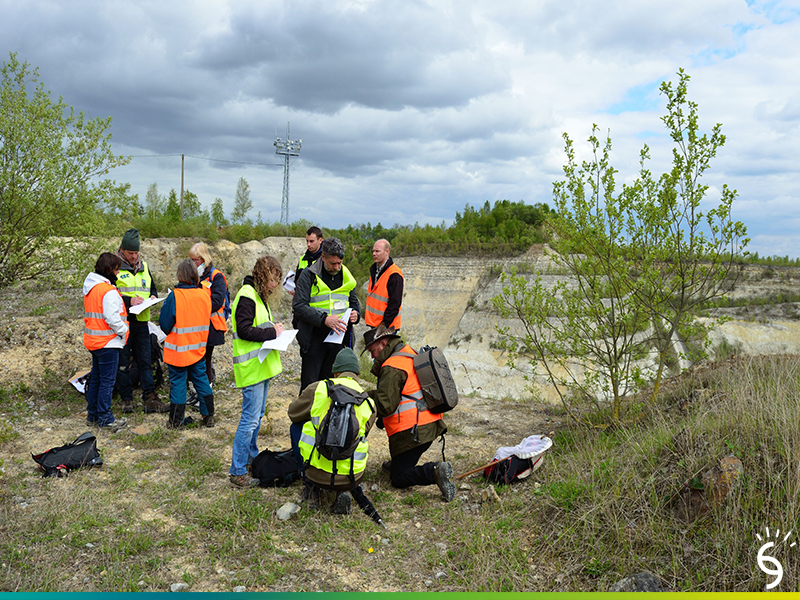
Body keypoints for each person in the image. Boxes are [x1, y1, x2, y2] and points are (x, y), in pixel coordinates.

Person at [364, 325, 456, 502]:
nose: (372, 356)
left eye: (372, 350)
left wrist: (363, 397)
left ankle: (435, 471)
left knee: (398, 478)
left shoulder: (392, 366)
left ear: (383, 343)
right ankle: (398, 462)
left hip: (414, 432)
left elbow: (385, 405)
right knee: (399, 465)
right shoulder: (408, 353)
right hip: (429, 423)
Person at [288, 348, 376, 514]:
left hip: (316, 473)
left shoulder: (318, 388)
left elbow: (293, 413)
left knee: (296, 427)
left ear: (335, 372)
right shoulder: (369, 403)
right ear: (357, 375)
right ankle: (344, 490)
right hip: (351, 476)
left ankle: (311, 488)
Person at [229, 256, 285, 488]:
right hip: (251, 369)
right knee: (249, 420)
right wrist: (272, 333)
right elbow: (244, 330)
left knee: (256, 416)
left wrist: (273, 330)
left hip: (260, 368)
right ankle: (238, 471)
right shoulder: (247, 295)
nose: (274, 285)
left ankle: (251, 459)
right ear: (262, 277)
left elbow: (257, 327)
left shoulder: (258, 297)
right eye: (272, 280)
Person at [292, 237, 361, 393]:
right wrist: (324, 319)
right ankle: (308, 410)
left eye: (339, 263)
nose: (336, 267)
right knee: (311, 387)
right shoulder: (308, 275)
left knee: (332, 386)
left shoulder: (346, 276)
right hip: (314, 339)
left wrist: (356, 315)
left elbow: (354, 302)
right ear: (323, 257)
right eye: (332, 263)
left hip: (338, 340)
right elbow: (299, 306)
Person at [114, 228, 169, 414]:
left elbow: (152, 288)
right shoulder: (114, 267)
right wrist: (129, 301)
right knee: (123, 363)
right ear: (122, 250)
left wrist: (152, 297)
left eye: (136, 253)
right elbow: (109, 295)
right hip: (123, 324)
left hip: (142, 322)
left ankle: (150, 398)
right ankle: (126, 399)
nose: (134, 256)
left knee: (145, 361)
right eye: (130, 253)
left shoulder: (143, 266)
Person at [159, 259, 214, 429]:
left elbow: (165, 324)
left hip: (178, 350)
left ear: (179, 275)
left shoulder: (175, 296)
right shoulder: (204, 295)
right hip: (198, 348)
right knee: (201, 380)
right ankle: (208, 416)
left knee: (178, 383)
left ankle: (176, 421)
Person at [82, 252, 129, 431]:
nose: (118, 273)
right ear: (110, 269)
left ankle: (93, 415)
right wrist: (124, 331)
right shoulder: (108, 291)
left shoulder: (92, 288)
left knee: (96, 379)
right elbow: (112, 318)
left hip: (95, 341)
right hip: (108, 342)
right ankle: (105, 418)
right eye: (116, 269)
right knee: (107, 382)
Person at [188, 242, 228, 389]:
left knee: (206, 359)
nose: (193, 263)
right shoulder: (192, 276)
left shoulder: (216, 276)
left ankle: (206, 391)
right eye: (191, 260)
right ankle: (196, 390)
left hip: (211, 326)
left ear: (203, 259)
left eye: (195, 260)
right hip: (194, 325)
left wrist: (195, 307)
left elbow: (217, 302)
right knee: (194, 359)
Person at [365, 238, 403, 331]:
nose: (374, 254)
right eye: (373, 251)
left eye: (377, 251)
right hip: (374, 325)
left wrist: (384, 326)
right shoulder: (375, 270)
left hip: (387, 328)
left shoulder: (394, 274)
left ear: (387, 251)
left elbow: (395, 303)